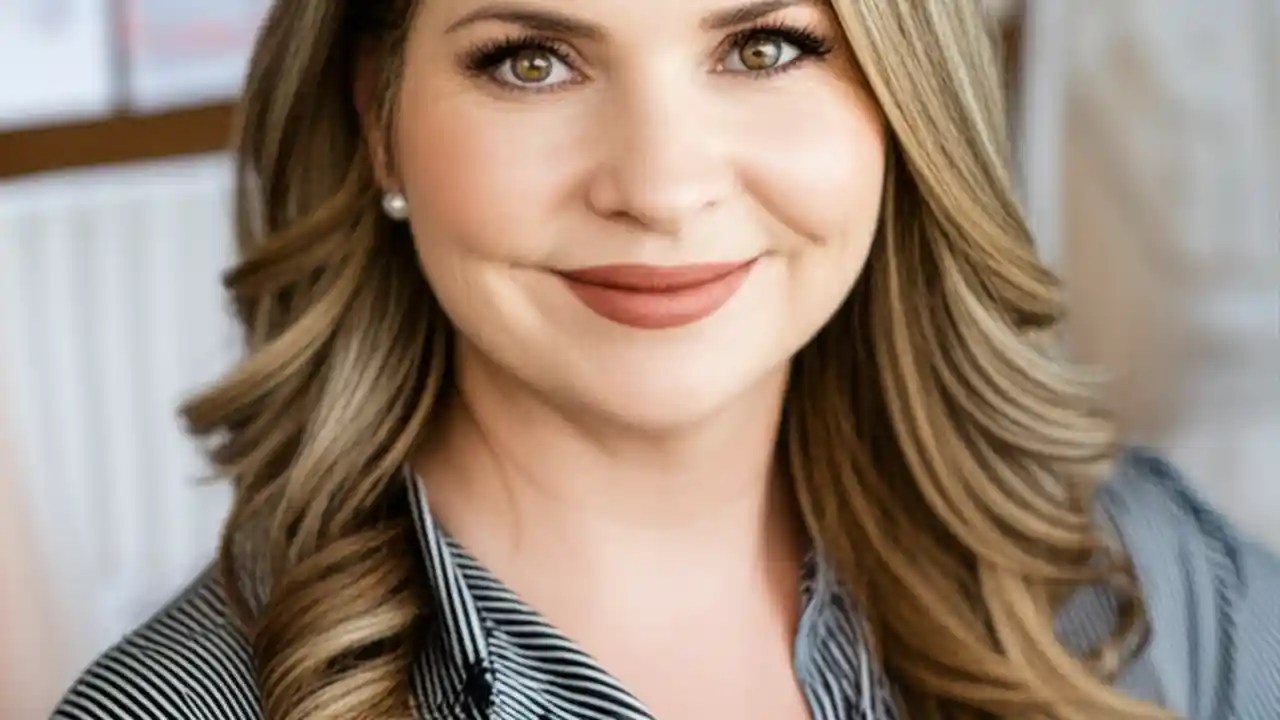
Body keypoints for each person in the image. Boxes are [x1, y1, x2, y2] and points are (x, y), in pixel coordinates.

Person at [51, 1, 1280, 718]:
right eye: (529, 60)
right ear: (378, 124)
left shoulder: (1151, 579)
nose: (659, 186)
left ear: (908, 91)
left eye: (761, 46)